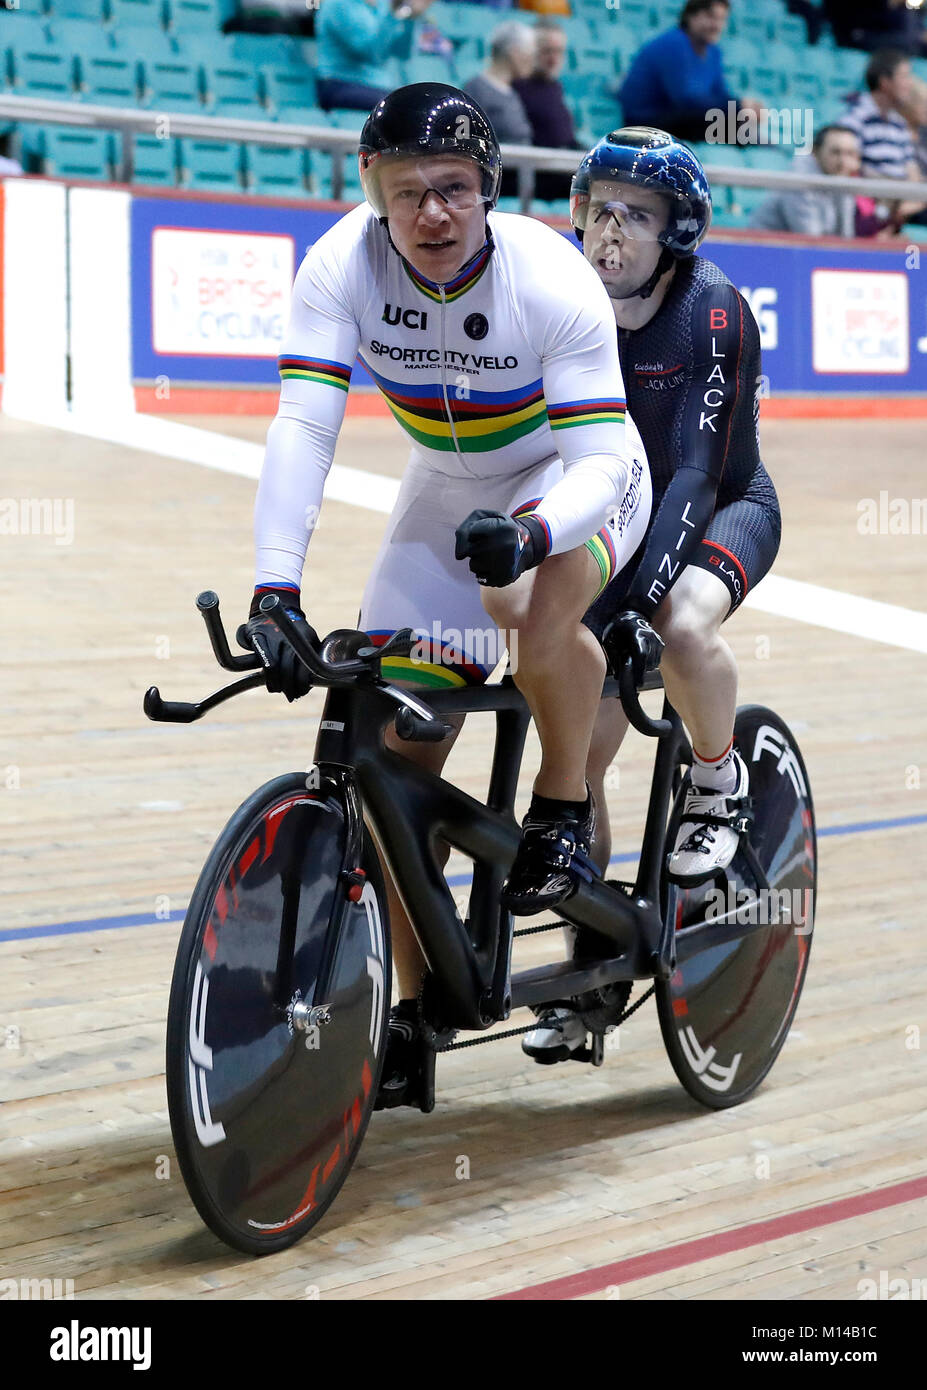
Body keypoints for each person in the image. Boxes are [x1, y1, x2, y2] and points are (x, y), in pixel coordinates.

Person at [244, 84, 652, 1107]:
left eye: (456, 190)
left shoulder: (550, 276)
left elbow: (603, 455)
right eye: (410, 191)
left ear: (490, 191)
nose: (433, 212)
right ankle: (415, 1010)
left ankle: (561, 806)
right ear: (372, 188)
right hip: (447, 490)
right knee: (391, 759)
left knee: (525, 603)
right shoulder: (341, 264)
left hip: (574, 477)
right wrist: (275, 588)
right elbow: (304, 426)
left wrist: (533, 531)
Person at [521, 128, 782, 1064]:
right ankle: (589, 975)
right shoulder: (563, 301)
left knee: (675, 628)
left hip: (716, 505)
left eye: (636, 215)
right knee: (574, 765)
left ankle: (716, 779)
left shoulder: (712, 311)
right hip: (621, 519)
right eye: (598, 210)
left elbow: (694, 477)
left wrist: (644, 594)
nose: (610, 232)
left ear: (677, 234)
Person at [619, 0, 763, 147]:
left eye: (722, 19)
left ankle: (768, 151)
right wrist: (738, 106)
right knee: (731, 122)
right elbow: (685, 98)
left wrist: (743, 108)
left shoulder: (713, 52)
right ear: (690, 16)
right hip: (647, 123)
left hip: (682, 119)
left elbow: (719, 94)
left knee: (739, 123)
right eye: (711, 17)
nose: (717, 26)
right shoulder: (673, 44)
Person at [839, 48, 927, 224]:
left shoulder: (899, 124)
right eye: (905, 77)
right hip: (868, 209)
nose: (910, 84)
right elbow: (847, 169)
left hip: (900, 207)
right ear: (885, 82)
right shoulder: (855, 120)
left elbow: (912, 172)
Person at [315, 0, 435, 112]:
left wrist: (412, 18)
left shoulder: (383, 4)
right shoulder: (338, 4)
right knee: (407, 109)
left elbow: (403, 53)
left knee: (420, 106)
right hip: (340, 83)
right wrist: (392, 14)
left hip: (377, 88)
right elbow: (372, 54)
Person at [512, 17, 583, 202]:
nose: (554, 59)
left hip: (561, 167)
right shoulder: (516, 87)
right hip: (538, 172)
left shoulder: (554, 87)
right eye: (546, 51)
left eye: (559, 52)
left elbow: (566, 138)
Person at [749, 125, 861, 237]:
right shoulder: (798, 181)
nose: (843, 162)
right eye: (836, 152)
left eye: (850, 153)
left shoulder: (841, 179)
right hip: (763, 248)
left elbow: (846, 238)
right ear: (815, 151)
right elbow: (811, 241)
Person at [463, 20, 536, 149]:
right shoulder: (476, 89)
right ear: (515, 53)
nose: (533, 63)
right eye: (530, 54)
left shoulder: (513, 92)